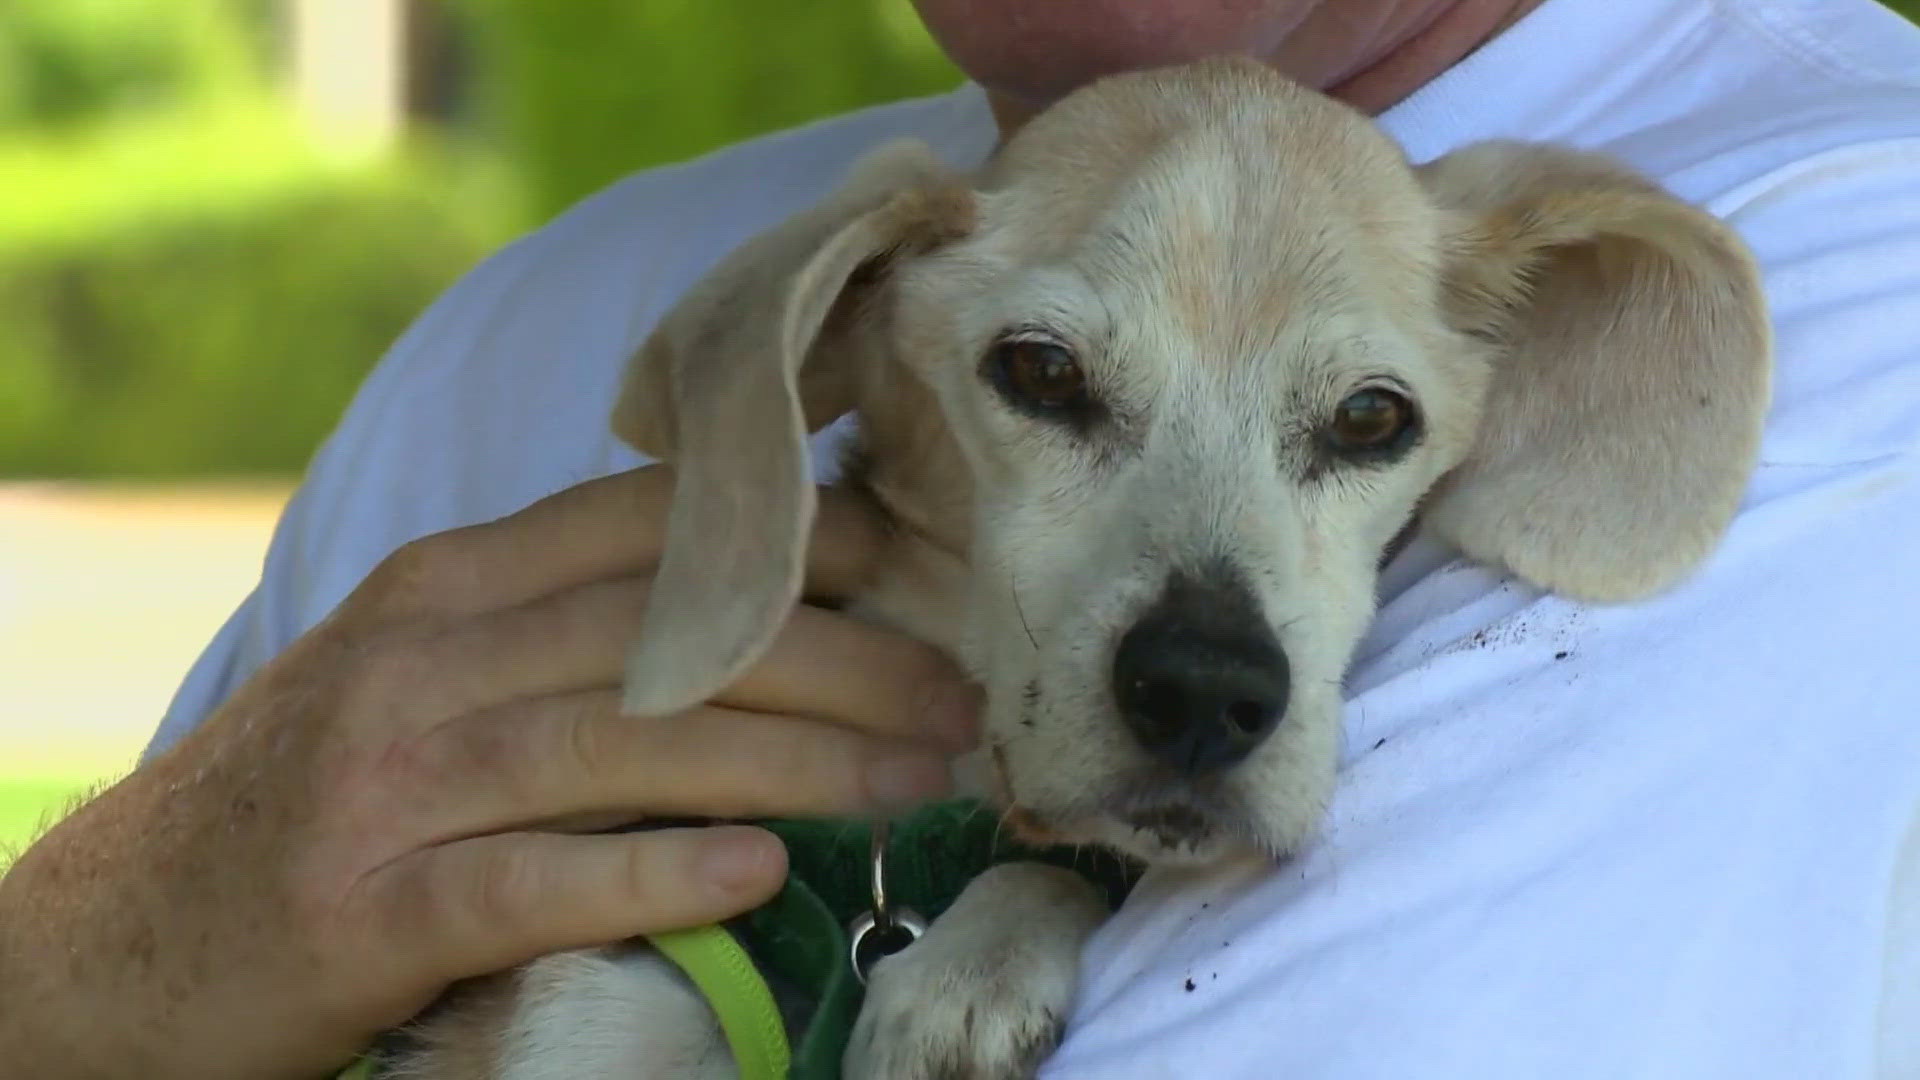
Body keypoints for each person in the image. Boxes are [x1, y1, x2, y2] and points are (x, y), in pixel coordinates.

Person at [4, 0, 1918, 1075]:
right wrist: (79, 958)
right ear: (856, 350)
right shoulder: (539, 322)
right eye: (1051, 381)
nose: (1207, 656)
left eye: (1361, 428)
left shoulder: (1863, 275)